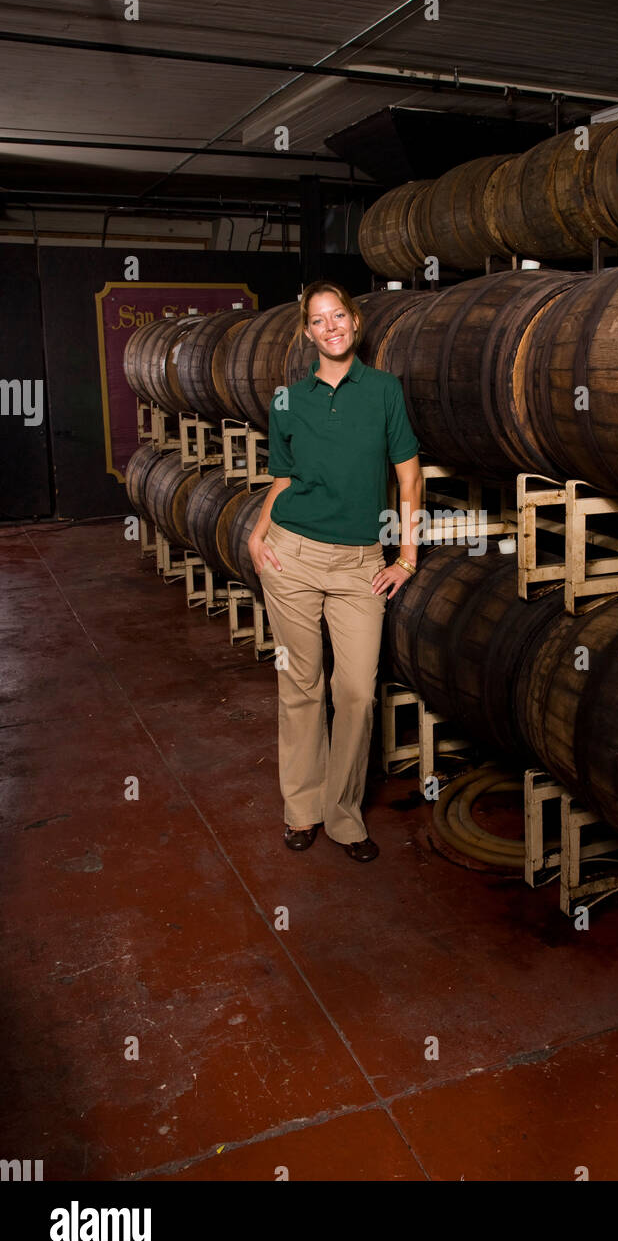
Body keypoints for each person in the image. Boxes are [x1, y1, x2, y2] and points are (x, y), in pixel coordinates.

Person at [248, 281, 422, 862]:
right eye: (318, 321)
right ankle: (301, 811)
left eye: (338, 316)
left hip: (359, 565)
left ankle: (344, 814)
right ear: (307, 332)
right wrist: (257, 529)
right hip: (291, 554)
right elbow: (282, 477)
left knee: (354, 694)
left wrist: (407, 556)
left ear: (355, 322)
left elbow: (409, 477)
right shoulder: (285, 400)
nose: (331, 327)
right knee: (300, 686)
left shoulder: (384, 390)